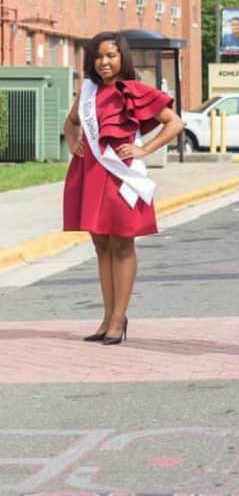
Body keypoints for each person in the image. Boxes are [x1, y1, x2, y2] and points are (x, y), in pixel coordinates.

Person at [62, 31, 183, 345]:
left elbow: (175, 122)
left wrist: (146, 149)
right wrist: (74, 140)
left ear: (122, 58)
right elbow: (72, 121)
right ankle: (107, 317)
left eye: (111, 56)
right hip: (89, 172)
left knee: (122, 245)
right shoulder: (87, 91)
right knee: (101, 245)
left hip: (120, 177)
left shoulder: (135, 90)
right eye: (99, 56)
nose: (104, 62)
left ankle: (119, 319)